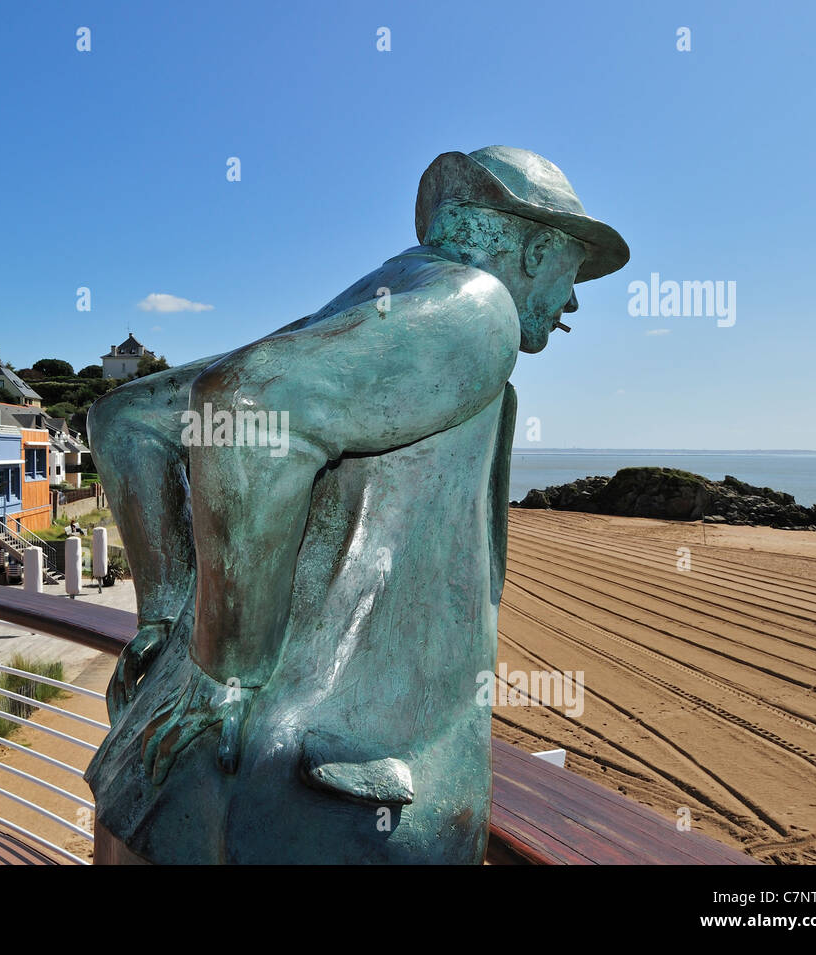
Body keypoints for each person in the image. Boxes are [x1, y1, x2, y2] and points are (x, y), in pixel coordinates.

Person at [85, 146, 630, 864]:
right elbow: (248, 410)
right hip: (321, 814)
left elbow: (127, 420)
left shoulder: (372, 299)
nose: (576, 298)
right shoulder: (478, 307)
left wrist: (169, 616)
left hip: (166, 790)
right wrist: (226, 671)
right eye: (574, 266)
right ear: (532, 249)